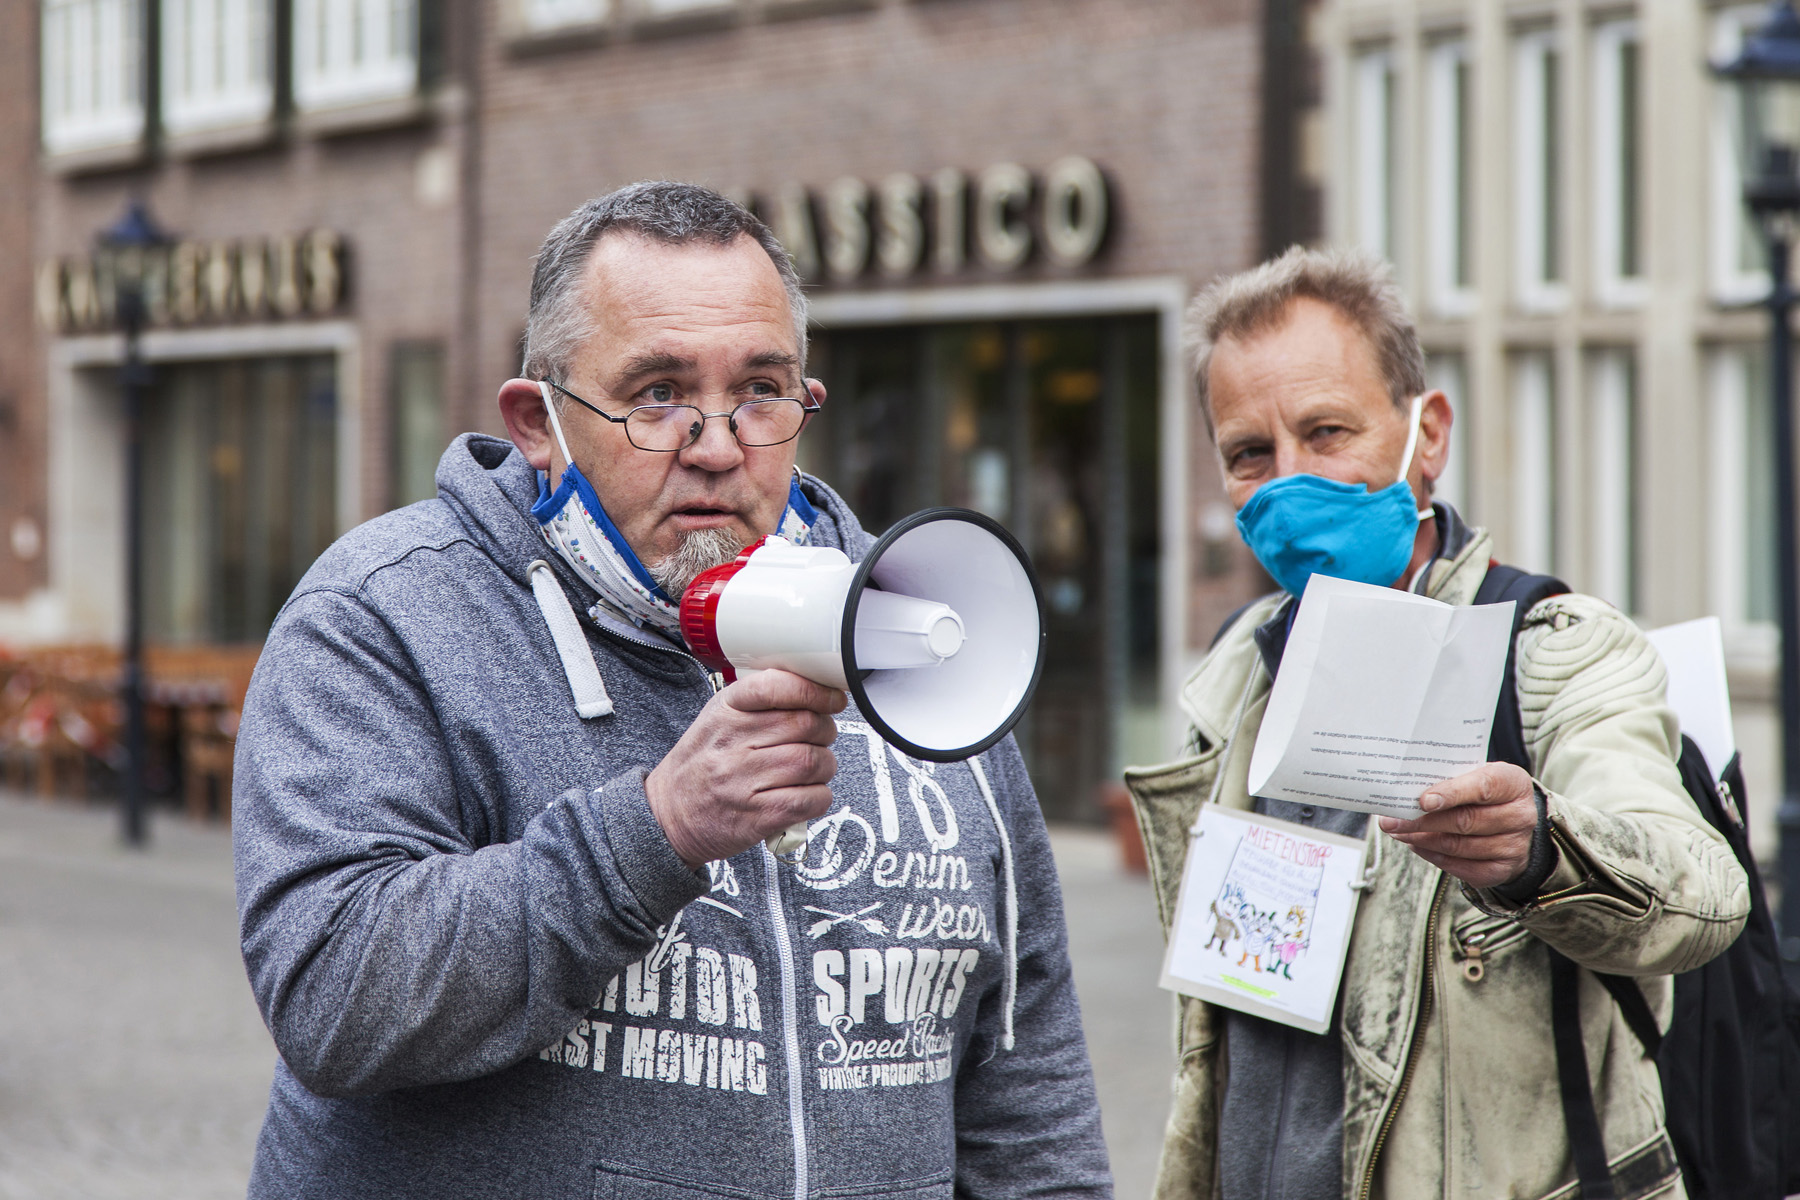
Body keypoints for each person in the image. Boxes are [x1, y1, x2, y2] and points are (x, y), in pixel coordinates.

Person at [233, 181, 1112, 1200]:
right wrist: (656, 830)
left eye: (762, 390)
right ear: (539, 421)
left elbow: (1025, 1075)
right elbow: (334, 997)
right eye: (658, 394)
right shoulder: (388, 616)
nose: (719, 444)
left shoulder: (913, 623)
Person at [1123, 247, 1750, 1200]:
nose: (1291, 480)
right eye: (1251, 453)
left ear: (1428, 434)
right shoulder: (1234, 677)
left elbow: (1701, 896)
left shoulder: (1552, 652)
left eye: (1327, 432)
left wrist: (1542, 847)